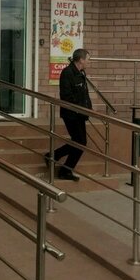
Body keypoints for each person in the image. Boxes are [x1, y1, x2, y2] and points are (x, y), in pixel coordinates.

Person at [46, 48, 92, 181]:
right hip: (71, 114)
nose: (89, 62)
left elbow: (85, 94)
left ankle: (56, 159)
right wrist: (82, 107)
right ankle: (62, 166)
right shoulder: (67, 73)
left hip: (81, 114)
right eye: (88, 59)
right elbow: (66, 96)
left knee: (80, 142)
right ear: (81, 60)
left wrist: (89, 108)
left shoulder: (81, 73)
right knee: (80, 142)